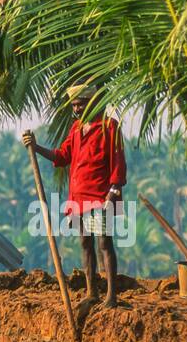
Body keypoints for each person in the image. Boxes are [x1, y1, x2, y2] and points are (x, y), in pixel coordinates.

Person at [22, 83, 127, 307]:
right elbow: (61, 156)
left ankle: (111, 296)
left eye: (80, 104)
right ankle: (92, 292)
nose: (76, 109)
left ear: (91, 102)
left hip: (101, 195)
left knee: (104, 243)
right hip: (79, 197)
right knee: (85, 243)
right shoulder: (77, 129)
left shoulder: (109, 127)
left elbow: (118, 161)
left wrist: (114, 190)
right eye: (74, 105)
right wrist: (36, 147)